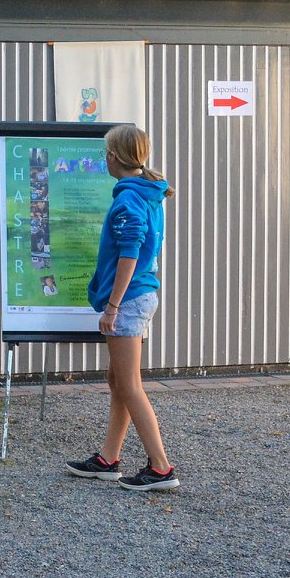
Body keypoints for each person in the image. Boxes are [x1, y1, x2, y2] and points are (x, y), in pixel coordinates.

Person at [68, 124, 176, 491]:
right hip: (138, 296)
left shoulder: (130, 198)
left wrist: (112, 306)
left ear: (114, 156)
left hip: (129, 299)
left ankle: (160, 468)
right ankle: (107, 458)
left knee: (129, 385)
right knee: (118, 382)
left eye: (106, 153)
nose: (105, 158)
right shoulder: (147, 193)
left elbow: (130, 253)